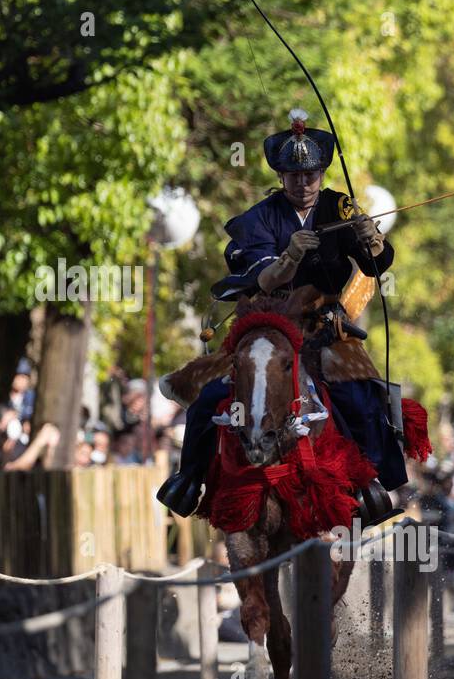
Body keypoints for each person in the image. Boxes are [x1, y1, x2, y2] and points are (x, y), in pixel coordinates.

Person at [158, 108, 396, 516]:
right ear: (281, 177)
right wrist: (288, 257)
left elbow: (375, 266)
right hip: (267, 323)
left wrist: (371, 240)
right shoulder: (258, 219)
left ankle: (369, 484)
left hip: (322, 326)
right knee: (211, 393)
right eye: (293, 176)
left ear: (321, 174)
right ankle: (190, 478)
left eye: (310, 175)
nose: (303, 184)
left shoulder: (340, 209)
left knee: (363, 392)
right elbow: (262, 281)